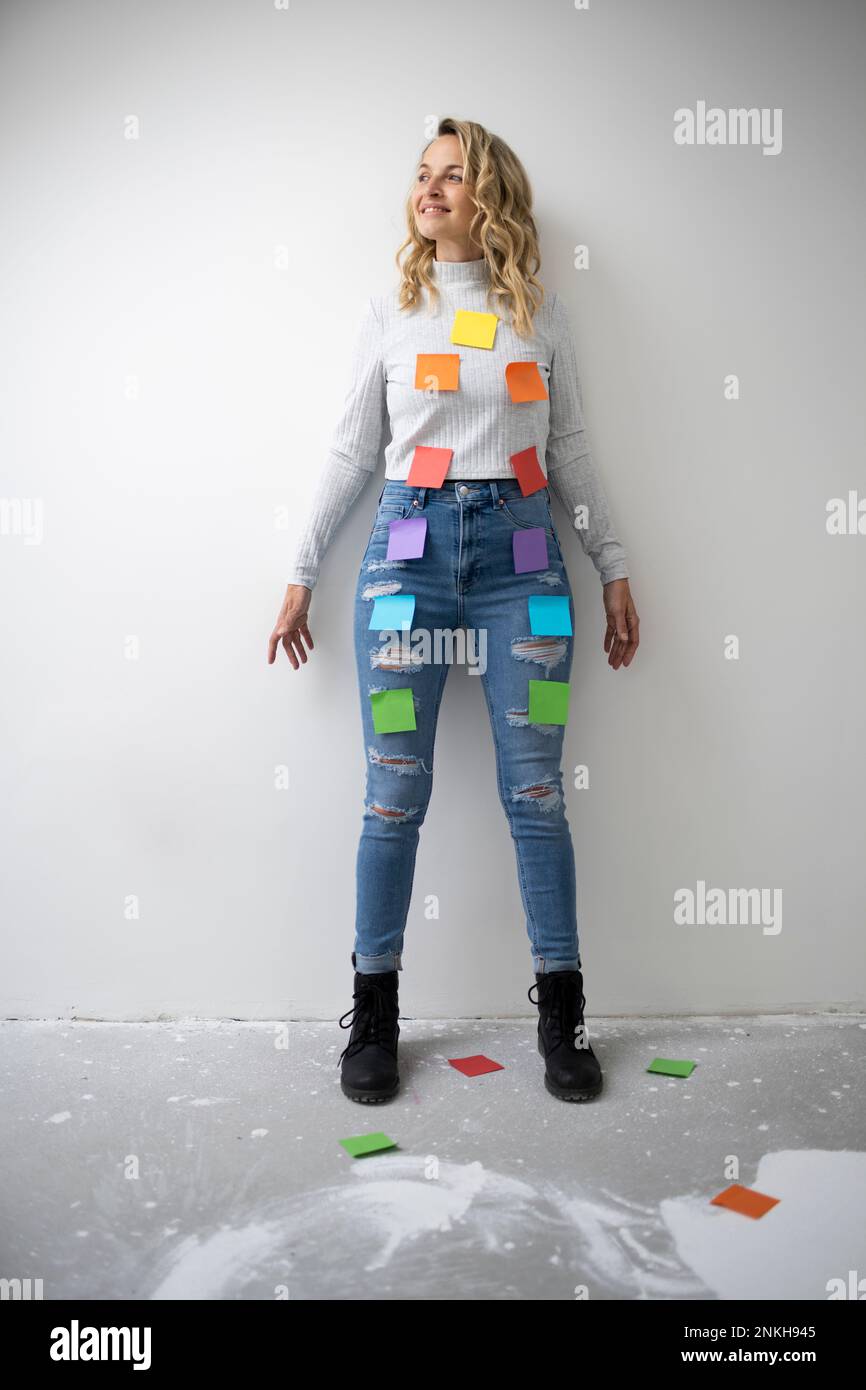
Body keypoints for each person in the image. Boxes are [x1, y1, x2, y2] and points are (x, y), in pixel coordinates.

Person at [267, 117, 640, 1105]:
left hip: (524, 564)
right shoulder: (395, 312)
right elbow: (352, 452)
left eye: (452, 177)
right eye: (421, 176)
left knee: (535, 795)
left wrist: (611, 564)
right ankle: (375, 1012)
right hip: (404, 561)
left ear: (491, 199)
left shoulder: (539, 317)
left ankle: (561, 1011)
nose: (429, 190)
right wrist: (301, 568)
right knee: (392, 792)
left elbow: (569, 457)